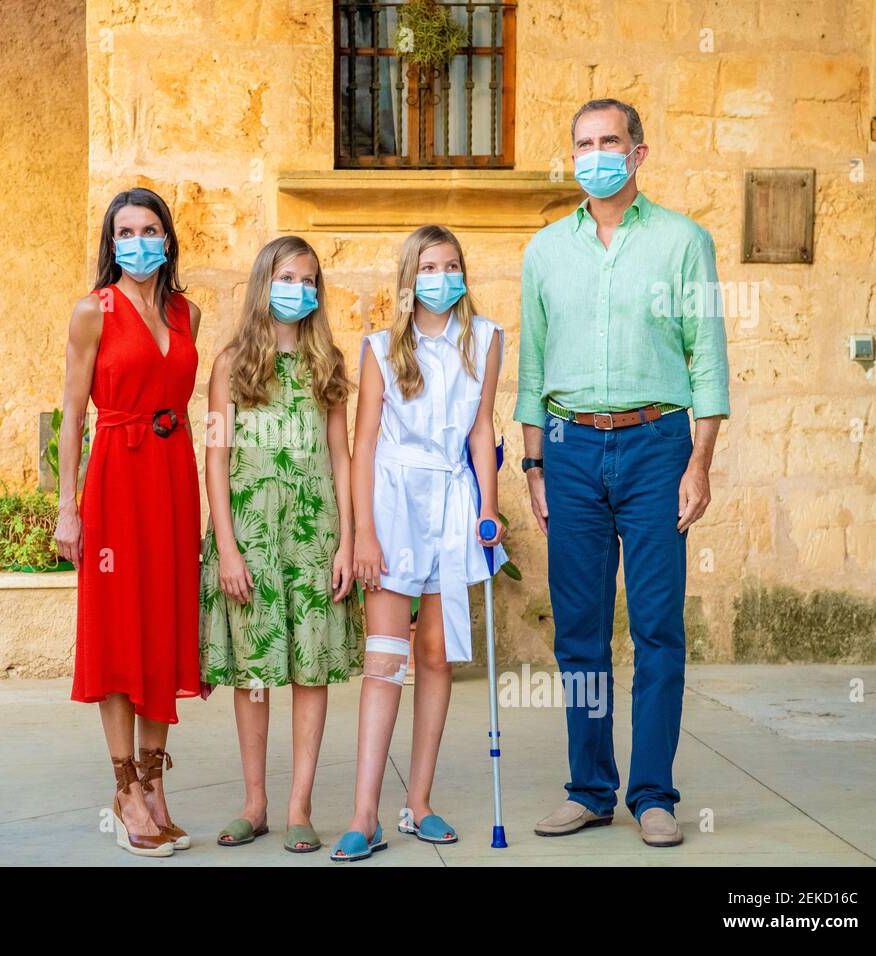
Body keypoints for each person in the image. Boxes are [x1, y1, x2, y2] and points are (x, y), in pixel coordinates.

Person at [515, 99, 730, 848]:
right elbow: (532, 370)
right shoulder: (544, 251)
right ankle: (589, 788)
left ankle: (654, 794)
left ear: (639, 153)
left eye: (610, 142)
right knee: (578, 630)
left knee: (657, 627)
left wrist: (700, 463)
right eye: (583, 143)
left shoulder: (684, 243)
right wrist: (535, 466)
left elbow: (708, 357)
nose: (595, 154)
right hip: (571, 450)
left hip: (656, 446)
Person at [331, 224, 508, 862]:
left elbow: (482, 427)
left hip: (455, 505)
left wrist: (488, 508)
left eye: (452, 264)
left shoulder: (485, 341)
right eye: (429, 267)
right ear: (410, 280)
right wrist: (364, 535)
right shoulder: (379, 349)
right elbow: (363, 442)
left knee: (436, 657)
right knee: (385, 661)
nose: (443, 276)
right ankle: (363, 814)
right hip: (394, 505)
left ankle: (420, 803)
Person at [200, 236, 362, 854]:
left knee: (310, 671)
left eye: (309, 279)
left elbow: (342, 459)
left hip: (314, 536)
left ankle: (300, 805)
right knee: (256, 672)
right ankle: (255, 803)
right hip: (251, 538)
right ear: (264, 281)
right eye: (288, 276)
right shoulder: (231, 366)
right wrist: (228, 548)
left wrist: (347, 542)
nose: (299, 288)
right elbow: (215, 460)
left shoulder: (329, 365)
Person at [57, 187, 202, 858]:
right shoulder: (93, 312)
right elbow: (72, 415)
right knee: (119, 630)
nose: (139, 241)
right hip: (116, 476)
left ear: (168, 239)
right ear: (110, 243)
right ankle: (124, 790)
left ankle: (153, 782)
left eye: (150, 229)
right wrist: (68, 509)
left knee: (164, 626)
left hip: (172, 476)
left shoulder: (186, 312)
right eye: (125, 231)